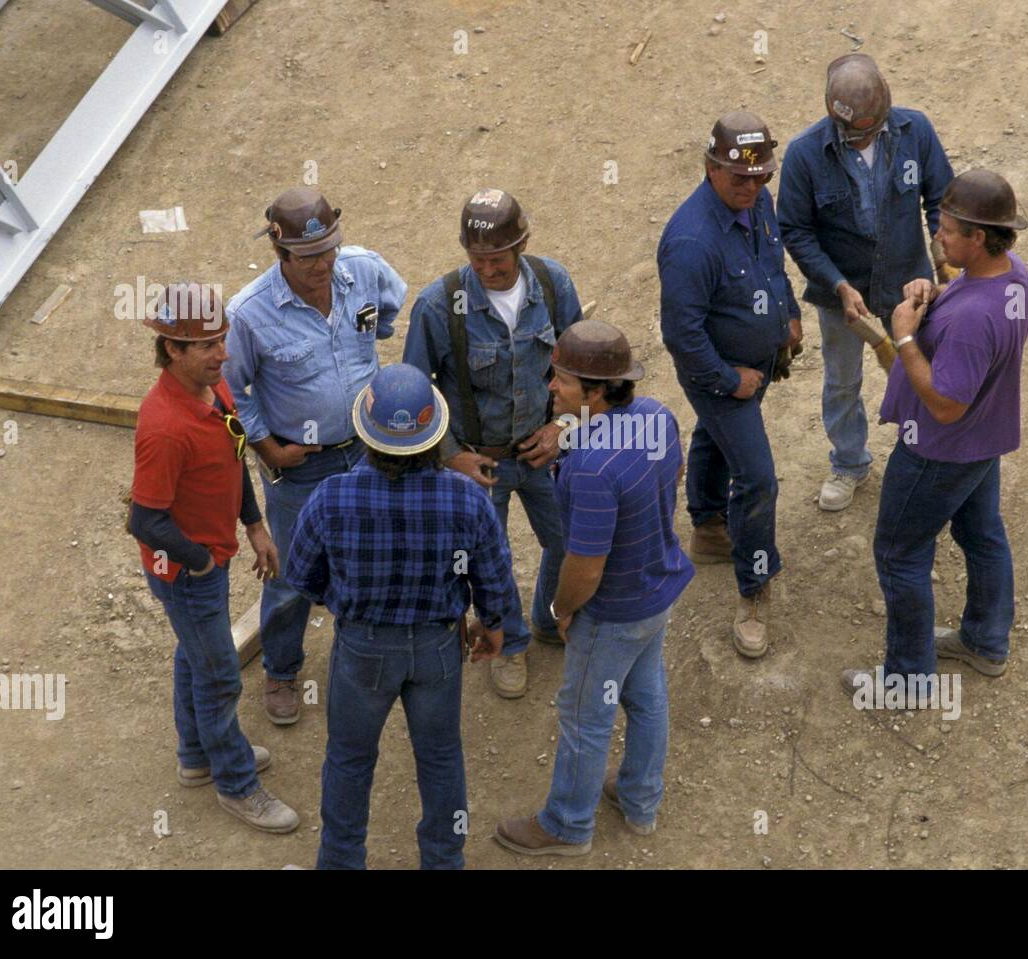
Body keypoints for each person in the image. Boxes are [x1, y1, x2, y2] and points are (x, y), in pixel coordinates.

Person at [283, 363, 514, 869]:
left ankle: (341, 861)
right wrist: (492, 626)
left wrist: (344, 599)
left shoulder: (331, 497)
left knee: (349, 760)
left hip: (363, 648)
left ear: (366, 433)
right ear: (435, 438)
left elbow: (301, 576)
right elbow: (494, 578)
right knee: (440, 759)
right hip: (437, 648)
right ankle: (444, 859)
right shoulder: (468, 500)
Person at [494, 321, 694, 856]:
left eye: (561, 380)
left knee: (584, 715)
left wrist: (561, 608)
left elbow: (584, 565)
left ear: (597, 390)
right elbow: (670, 478)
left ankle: (567, 825)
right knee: (646, 695)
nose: (551, 387)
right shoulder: (654, 416)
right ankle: (639, 799)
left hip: (612, 612)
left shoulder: (589, 467)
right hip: (657, 587)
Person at [841, 169, 1028, 700]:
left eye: (947, 230)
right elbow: (967, 297)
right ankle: (986, 643)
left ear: (978, 236)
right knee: (981, 534)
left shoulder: (974, 321)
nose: (938, 237)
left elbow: (946, 405)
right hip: (984, 441)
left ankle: (908, 680)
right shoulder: (1012, 275)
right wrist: (936, 288)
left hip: (939, 451)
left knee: (900, 554)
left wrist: (904, 335)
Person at [224, 186, 409, 725]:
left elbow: (390, 312)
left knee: (375, 544)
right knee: (289, 572)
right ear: (280, 255)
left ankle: (375, 648)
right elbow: (231, 393)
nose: (322, 265)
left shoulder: (365, 272)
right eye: (307, 258)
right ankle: (282, 670)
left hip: (372, 449)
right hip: (301, 465)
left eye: (328, 250)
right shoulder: (249, 315)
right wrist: (268, 449)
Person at [128, 281, 299, 834]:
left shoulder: (214, 390)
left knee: (195, 656)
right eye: (205, 345)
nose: (222, 354)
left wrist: (254, 525)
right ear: (171, 349)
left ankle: (195, 756)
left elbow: (235, 449)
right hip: (186, 573)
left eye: (222, 340)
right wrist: (200, 560)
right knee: (220, 674)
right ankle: (236, 783)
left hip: (213, 555)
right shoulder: (164, 427)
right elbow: (145, 520)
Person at [403, 188, 584, 698]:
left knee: (569, 541)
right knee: (489, 562)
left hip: (544, 452)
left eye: (497, 258)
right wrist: (450, 456)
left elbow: (580, 365)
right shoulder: (439, 306)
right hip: (478, 465)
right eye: (476, 258)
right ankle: (511, 644)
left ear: (521, 245)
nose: (486, 269)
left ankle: (550, 619)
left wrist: (561, 430)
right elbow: (415, 393)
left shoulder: (551, 285)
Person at [777, 53, 953, 512]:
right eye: (855, 135)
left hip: (907, 284)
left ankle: (928, 454)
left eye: (872, 133)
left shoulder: (916, 132)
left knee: (922, 372)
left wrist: (940, 267)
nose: (863, 142)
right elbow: (795, 230)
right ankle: (850, 463)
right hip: (842, 294)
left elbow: (941, 201)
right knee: (842, 381)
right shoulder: (804, 155)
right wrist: (836, 285)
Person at [658, 111, 800, 659]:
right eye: (739, 176)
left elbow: (773, 261)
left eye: (761, 175)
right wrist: (726, 380)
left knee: (715, 439)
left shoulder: (758, 201)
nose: (751, 186)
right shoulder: (691, 242)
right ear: (710, 167)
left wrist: (786, 314)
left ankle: (709, 527)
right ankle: (753, 585)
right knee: (759, 478)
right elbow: (681, 335)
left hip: (756, 363)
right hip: (717, 375)